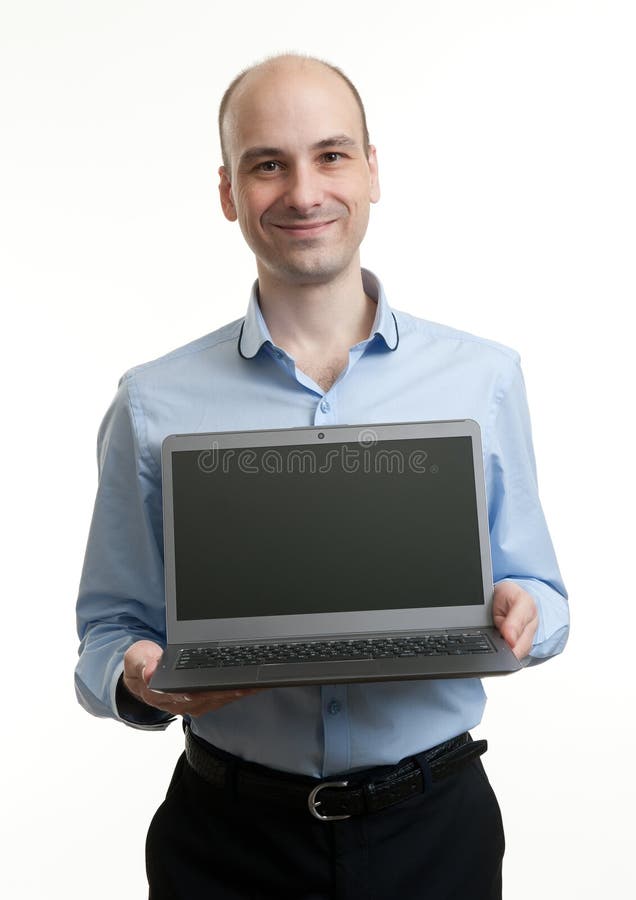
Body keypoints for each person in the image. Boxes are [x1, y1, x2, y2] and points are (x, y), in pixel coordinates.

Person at [75, 54, 569, 899]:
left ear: (373, 171)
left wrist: (528, 616)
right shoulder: (153, 402)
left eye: (331, 155)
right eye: (268, 163)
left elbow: (543, 594)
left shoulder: (482, 377)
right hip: (225, 842)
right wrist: (139, 679)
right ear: (229, 192)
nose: (303, 192)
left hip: (434, 831)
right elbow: (106, 634)